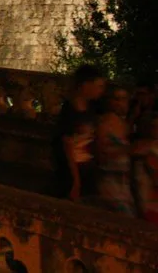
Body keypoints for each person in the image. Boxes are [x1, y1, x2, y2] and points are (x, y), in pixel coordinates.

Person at [52, 64, 106, 201]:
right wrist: (75, 181)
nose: (101, 91)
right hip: (73, 170)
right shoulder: (70, 110)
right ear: (86, 85)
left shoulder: (93, 107)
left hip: (88, 167)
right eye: (98, 86)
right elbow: (67, 145)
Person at [96, 86, 135, 215]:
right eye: (116, 99)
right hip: (110, 183)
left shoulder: (125, 124)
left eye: (123, 99)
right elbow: (100, 153)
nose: (120, 103)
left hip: (124, 183)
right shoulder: (105, 123)